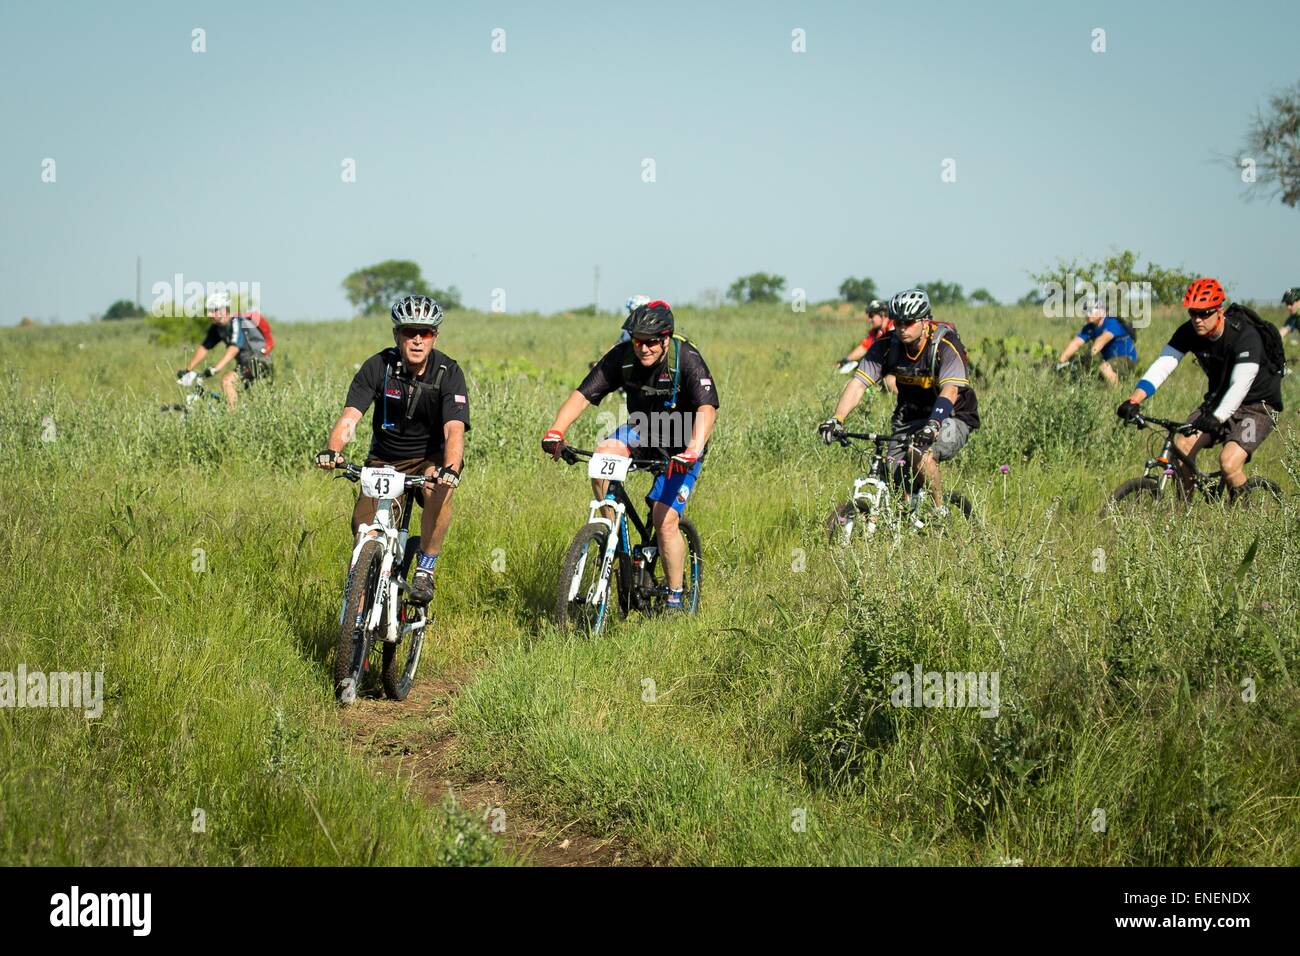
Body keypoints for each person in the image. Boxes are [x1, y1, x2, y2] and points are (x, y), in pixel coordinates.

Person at [542, 300, 718, 612]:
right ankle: (610, 538)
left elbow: (706, 407)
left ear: (666, 338)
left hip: (682, 442)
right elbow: (583, 395)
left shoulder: (686, 358)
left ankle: (675, 597)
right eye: (638, 340)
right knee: (601, 458)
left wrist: (693, 450)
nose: (644, 348)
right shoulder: (622, 357)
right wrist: (556, 431)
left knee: (665, 522)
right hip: (643, 431)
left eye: (651, 341)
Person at [315, 295, 468, 605]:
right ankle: (354, 623)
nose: (416, 340)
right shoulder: (377, 367)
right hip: (384, 461)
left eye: (424, 333)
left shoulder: (448, 371)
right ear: (396, 334)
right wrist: (333, 450)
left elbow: (454, 429)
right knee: (364, 537)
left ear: (434, 336)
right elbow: (350, 419)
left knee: (438, 488)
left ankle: (425, 568)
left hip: (431, 459)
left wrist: (450, 470)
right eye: (409, 332)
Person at [1116, 277, 1283, 498]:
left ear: (1219, 310)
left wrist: (1218, 417)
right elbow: (1164, 364)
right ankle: (1182, 515)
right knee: (1182, 445)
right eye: (1193, 312)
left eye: (1205, 313)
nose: (1198, 319)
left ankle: (1246, 517)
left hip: (1257, 406)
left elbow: (1240, 385)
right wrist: (1135, 399)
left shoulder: (1245, 336)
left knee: (1229, 463)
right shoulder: (1189, 332)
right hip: (1218, 401)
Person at [819, 289, 979, 511]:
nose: (902, 328)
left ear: (925, 321)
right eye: (898, 322)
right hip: (910, 416)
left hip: (952, 416)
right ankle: (906, 519)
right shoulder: (887, 345)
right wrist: (837, 419)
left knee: (919, 453)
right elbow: (858, 384)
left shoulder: (944, 344)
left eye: (909, 322)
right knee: (895, 476)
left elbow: (950, 391)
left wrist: (934, 425)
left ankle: (939, 512)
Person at [177, 291, 274, 409]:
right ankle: (237, 411)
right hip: (244, 364)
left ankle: (233, 420)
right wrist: (187, 369)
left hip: (258, 361)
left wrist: (215, 369)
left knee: (227, 381)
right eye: (209, 310)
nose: (210, 314)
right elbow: (205, 347)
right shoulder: (217, 327)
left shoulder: (236, 322)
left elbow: (234, 348)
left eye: (214, 310)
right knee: (234, 395)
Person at [1054, 297, 1138, 385]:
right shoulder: (1090, 327)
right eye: (1085, 312)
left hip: (1127, 360)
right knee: (1082, 373)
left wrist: (1089, 355)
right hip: (1110, 361)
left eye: (1090, 311)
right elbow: (1076, 343)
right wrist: (1060, 362)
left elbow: (1102, 339)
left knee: (1104, 368)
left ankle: (1118, 394)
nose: (1087, 314)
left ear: (1101, 311)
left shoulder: (1112, 322)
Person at [836, 299, 894, 374]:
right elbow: (863, 347)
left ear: (882, 314)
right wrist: (845, 361)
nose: (869, 320)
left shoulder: (894, 326)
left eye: (871, 316)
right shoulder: (876, 332)